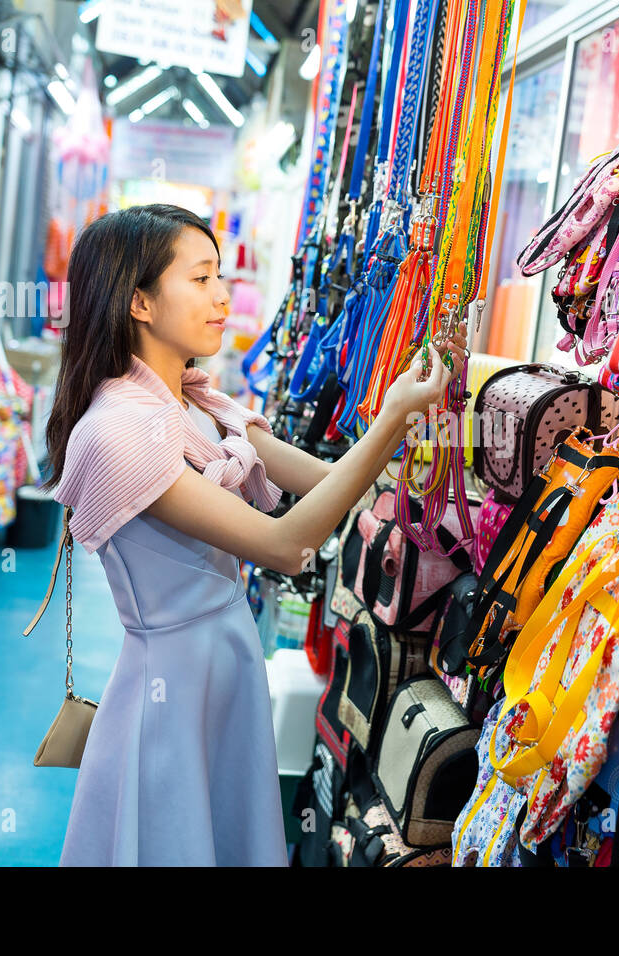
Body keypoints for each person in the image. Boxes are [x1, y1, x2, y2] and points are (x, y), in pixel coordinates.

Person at [40, 204, 465, 866]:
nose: (222, 295)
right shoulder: (118, 429)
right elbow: (285, 543)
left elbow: (325, 480)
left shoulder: (194, 401)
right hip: (173, 684)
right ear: (140, 302)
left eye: (221, 277)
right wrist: (391, 419)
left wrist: (410, 445)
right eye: (202, 278)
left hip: (221, 661)